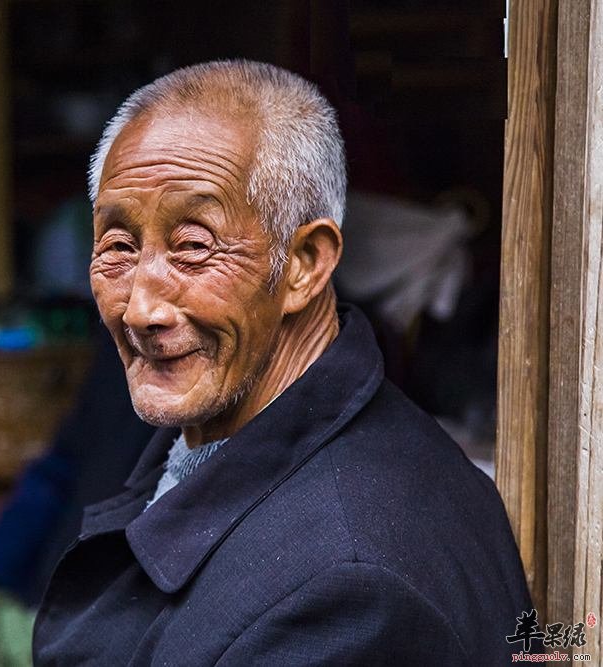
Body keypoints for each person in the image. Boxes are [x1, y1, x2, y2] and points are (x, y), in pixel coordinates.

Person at [33, 60, 533, 665]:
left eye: (194, 248)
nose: (141, 308)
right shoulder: (215, 437)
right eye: (119, 246)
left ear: (304, 264)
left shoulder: (349, 593)